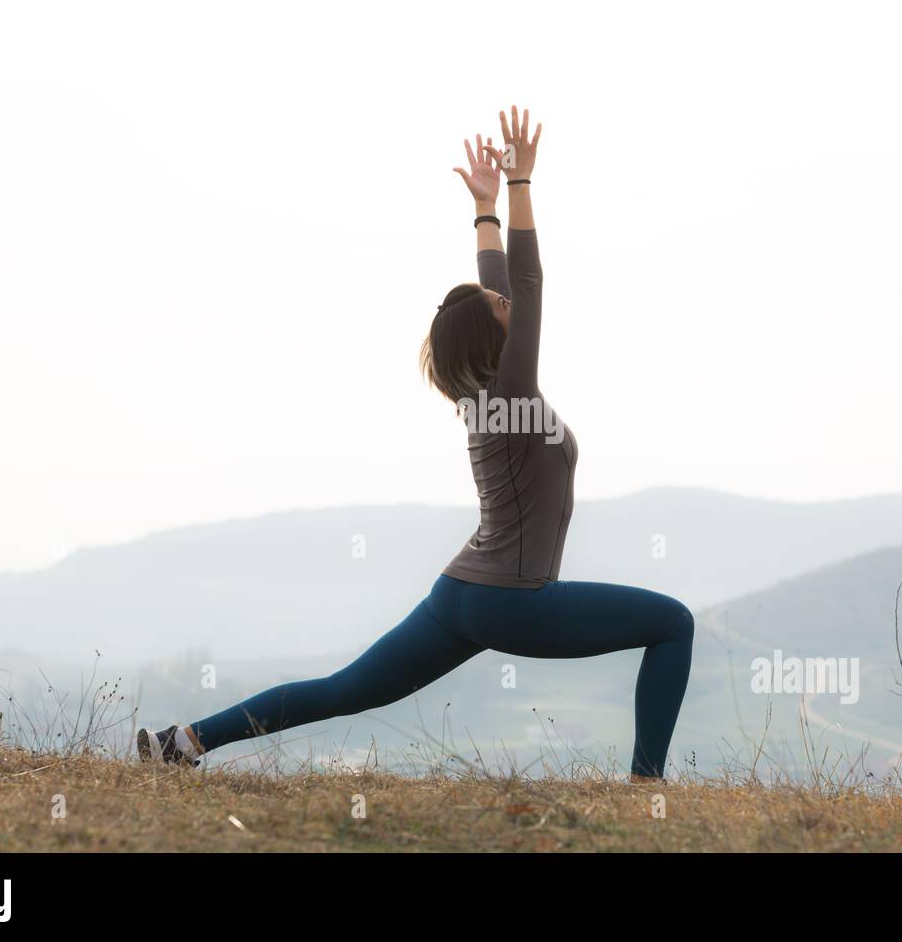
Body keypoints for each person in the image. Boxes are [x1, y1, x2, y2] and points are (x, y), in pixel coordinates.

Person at [138, 105, 694, 780]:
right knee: (673, 623)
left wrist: (485, 207)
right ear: (499, 339)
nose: (512, 307)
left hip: (461, 593)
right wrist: (521, 188)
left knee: (344, 691)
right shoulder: (512, 391)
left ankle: (182, 743)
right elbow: (526, 284)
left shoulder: (482, 394)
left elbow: (500, 291)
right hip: (512, 600)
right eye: (505, 313)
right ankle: (646, 787)